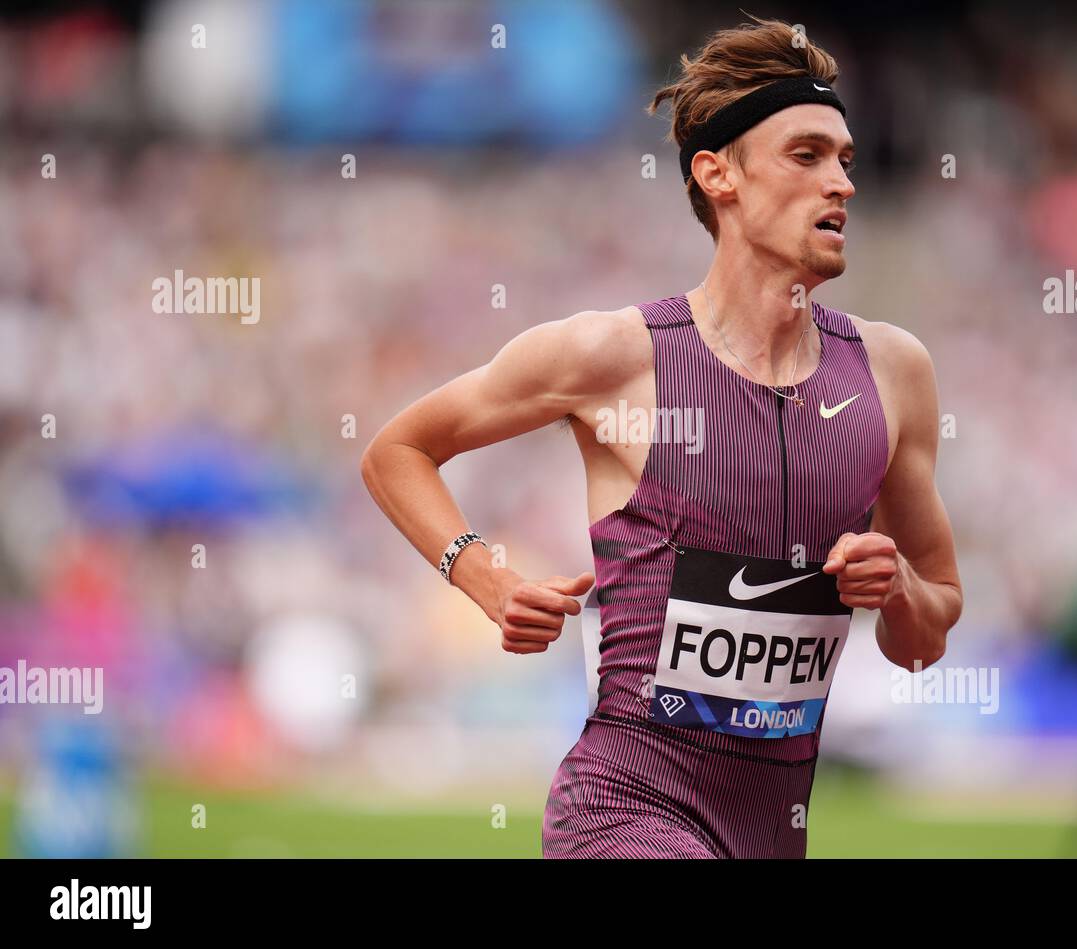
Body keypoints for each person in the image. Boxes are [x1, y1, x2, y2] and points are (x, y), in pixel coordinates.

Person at [360, 15, 962, 858]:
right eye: (806, 155)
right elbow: (397, 450)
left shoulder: (893, 374)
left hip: (770, 833)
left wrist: (895, 586)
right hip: (620, 811)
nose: (841, 184)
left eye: (846, 160)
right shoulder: (613, 356)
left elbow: (927, 637)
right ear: (719, 175)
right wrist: (486, 577)